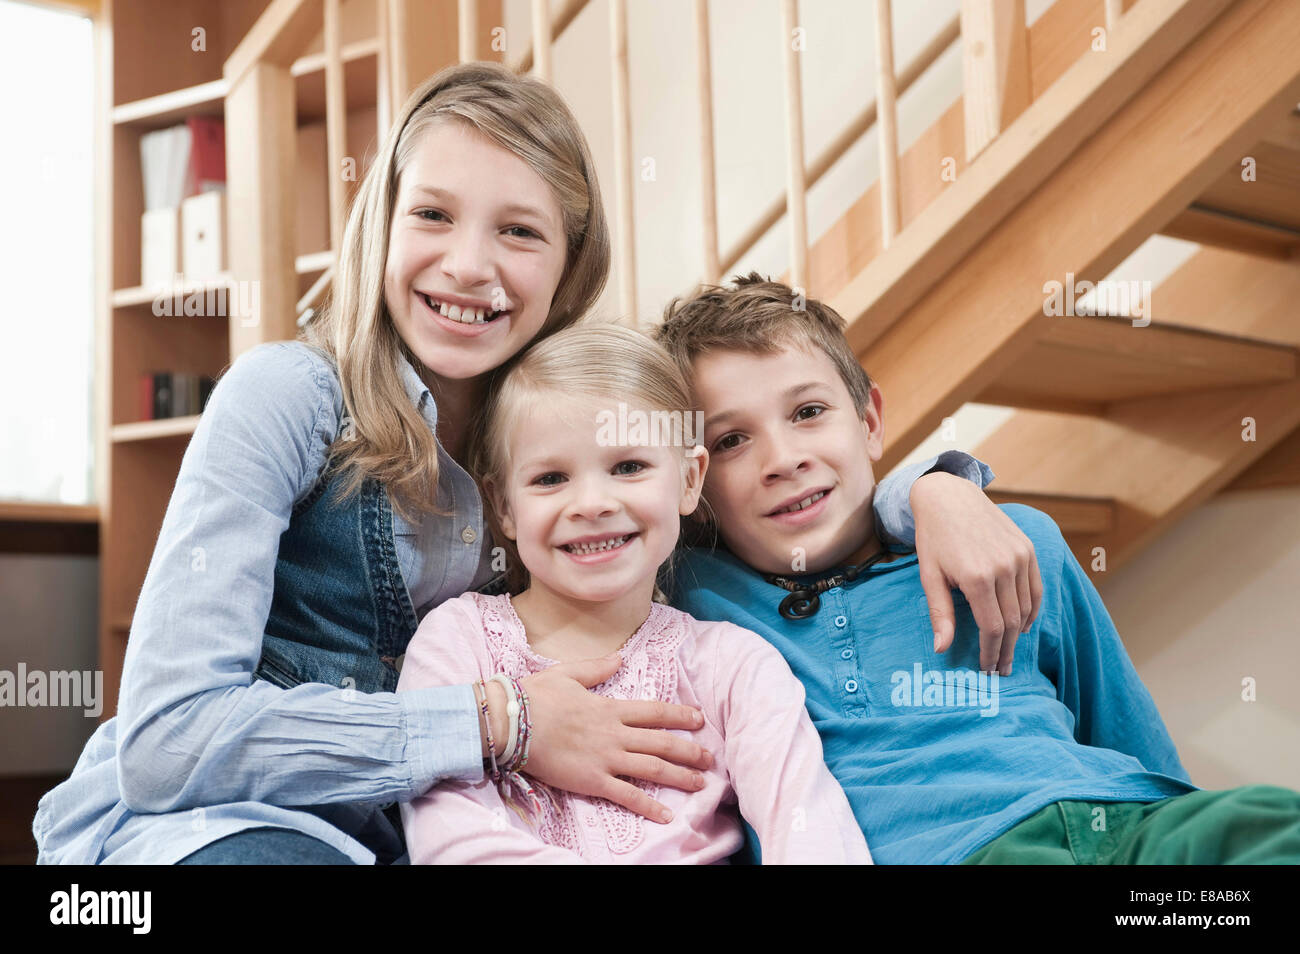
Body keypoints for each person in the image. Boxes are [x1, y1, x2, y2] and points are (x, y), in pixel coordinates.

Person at [31, 64, 1026, 866]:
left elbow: (751, 488)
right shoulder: (288, 398)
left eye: (517, 231)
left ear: (569, 266)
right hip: (222, 826)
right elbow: (171, 744)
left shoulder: (579, 451)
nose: (468, 265)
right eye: (432, 216)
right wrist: (497, 720)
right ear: (379, 222)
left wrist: (932, 484)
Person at [656, 272, 1300, 864]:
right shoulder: (692, 603)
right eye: (730, 440)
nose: (784, 458)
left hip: (1124, 828)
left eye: (808, 412)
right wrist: (929, 485)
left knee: (1266, 823)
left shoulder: (1011, 543)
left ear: (870, 420)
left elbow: (1132, 741)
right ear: (693, 477)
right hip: (955, 854)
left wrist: (934, 487)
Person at [398, 323, 870, 863]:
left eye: (628, 467)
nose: (592, 503)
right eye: (551, 479)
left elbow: (808, 829)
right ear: (503, 505)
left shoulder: (732, 666)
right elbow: (450, 841)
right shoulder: (456, 641)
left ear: (690, 480)